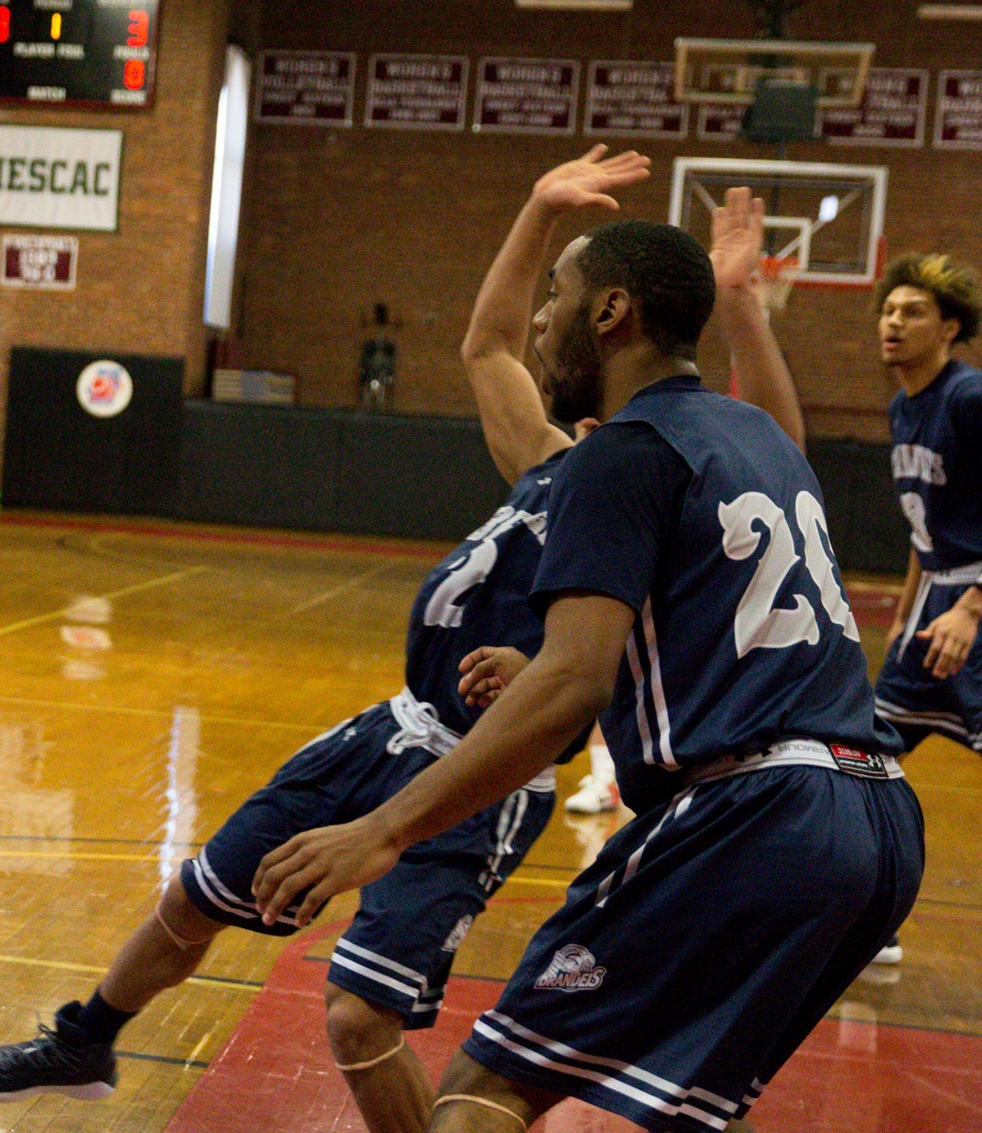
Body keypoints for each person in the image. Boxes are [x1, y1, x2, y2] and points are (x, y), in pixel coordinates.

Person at [0, 150, 808, 1131]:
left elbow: (644, 632)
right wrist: (534, 209)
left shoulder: (658, 480)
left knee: (359, 1019)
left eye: (558, 302)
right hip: (388, 731)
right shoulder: (553, 462)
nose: (540, 324)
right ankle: (84, 1036)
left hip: (479, 779)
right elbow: (487, 347)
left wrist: (541, 675)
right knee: (200, 895)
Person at [249, 215, 920, 1133]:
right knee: (664, 1109)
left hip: (758, 815)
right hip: (879, 821)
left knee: (486, 1093)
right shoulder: (754, 436)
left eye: (555, 297)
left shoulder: (621, 450)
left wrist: (385, 829)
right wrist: (745, 307)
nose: (538, 323)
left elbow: (573, 683)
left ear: (609, 311)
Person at [866, 252, 982, 968]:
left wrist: (971, 607)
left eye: (912, 312)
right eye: (888, 310)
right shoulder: (903, 404)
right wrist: (904, 616)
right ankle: (874, 919)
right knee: (862, 760)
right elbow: (923, 528)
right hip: (932, 608)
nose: (893, 322)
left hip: (974, 601)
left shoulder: (969, 398)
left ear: (950, 327)